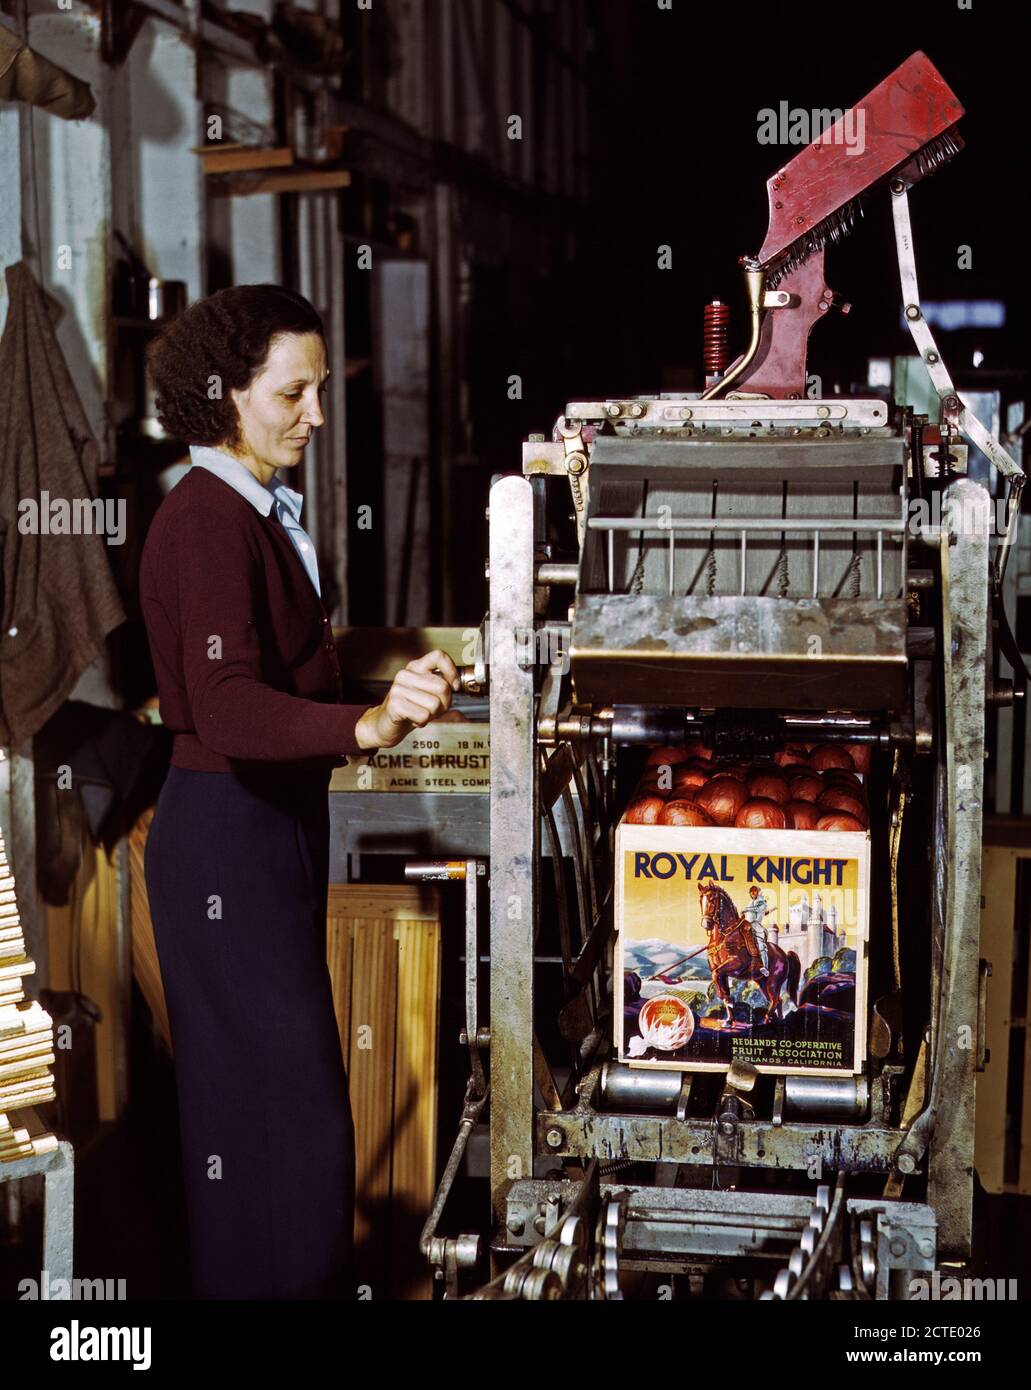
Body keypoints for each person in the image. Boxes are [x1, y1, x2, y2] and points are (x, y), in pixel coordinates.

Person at [138, 284, 459, 1299]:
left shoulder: (249, 511)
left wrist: (389, 687)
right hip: (226, 836)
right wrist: (363, 727)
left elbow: (271, 678)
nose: (316, 415)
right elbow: (228, 704)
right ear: (220, 394)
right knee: (293, 1119)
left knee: (258, 1116)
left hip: (262, 831)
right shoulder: (205, 523)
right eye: (292, 393)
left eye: (319, 390)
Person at [739, 885, 771, 977]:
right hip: (747, 925)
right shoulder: (750, 902)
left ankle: (765, 967)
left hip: (756, 925)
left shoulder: (762, 902)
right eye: (751, 891)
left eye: (755, 891)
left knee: (761, 945)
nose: (753, 893)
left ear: (758, 892)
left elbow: (757, 909)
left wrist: (745, 909)